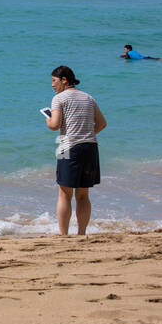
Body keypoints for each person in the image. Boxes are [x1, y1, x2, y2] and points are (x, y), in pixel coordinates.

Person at [45, 65, 106, 236]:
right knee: (83, 194)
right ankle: (81, 233)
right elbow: (102, 124)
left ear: (64, 80)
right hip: (90, 147)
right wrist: (85, 133)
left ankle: (64, 235)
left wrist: (48, 121)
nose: (52, 85)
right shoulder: (88, 97)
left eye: (53, 81)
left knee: (64, 193)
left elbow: (55, 125)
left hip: (67, 145)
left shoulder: (58, 98)